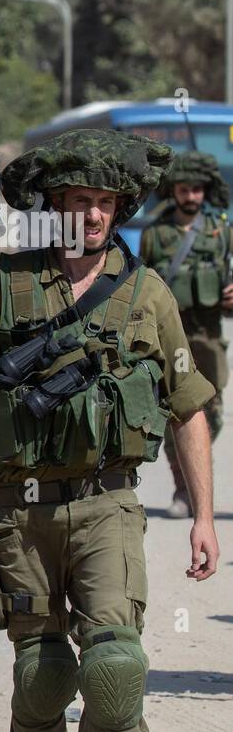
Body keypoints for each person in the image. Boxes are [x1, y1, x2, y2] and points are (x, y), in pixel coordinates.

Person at [0, 128, 220, 732]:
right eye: (75, 199)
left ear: (118, 210)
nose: (89, 214)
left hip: (107, 506)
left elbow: (187, 410)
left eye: (102, 202)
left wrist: (204, 516)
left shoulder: (147, 293)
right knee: (42, 673)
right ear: (52, 204)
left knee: (114, 665)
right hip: (18, 509)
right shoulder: (4, 283)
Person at [137, 150, 233, 517]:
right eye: (183, 189)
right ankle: (183, 490)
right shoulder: (155, 235)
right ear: (172, 192)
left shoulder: (221, 233)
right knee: (169, 414)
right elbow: (141, 287)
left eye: (196, 190)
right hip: (165, 342)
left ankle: (195, 481)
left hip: (207, 338)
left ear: (205, 192)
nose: (190, 196)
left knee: (214, 416)